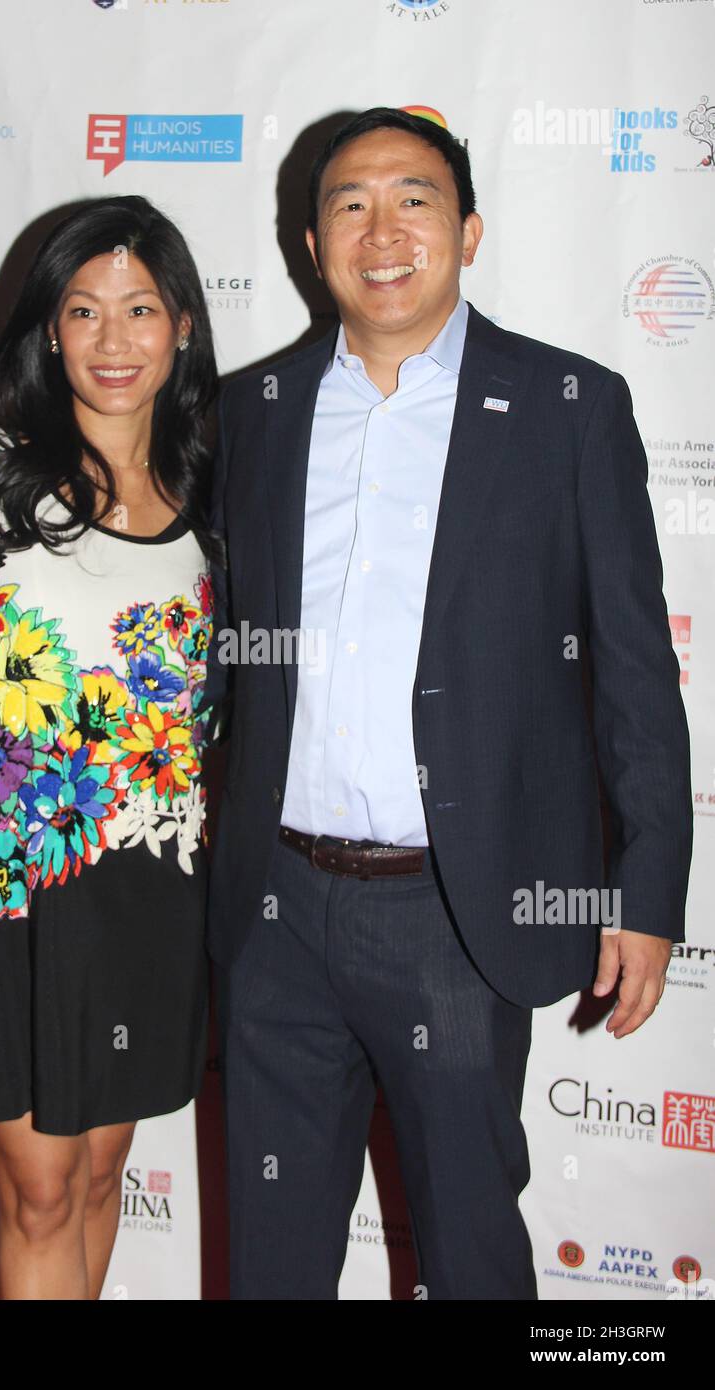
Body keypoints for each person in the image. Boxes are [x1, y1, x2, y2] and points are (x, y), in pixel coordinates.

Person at [205, 108, 693, 1299]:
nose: (381, 232)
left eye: (413, 200)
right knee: (269, 1263)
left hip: (456, 917)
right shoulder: (247, 411)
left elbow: (634, 666)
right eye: (350, 205)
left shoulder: (569, 407)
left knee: (471, 1254)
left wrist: (645, 889)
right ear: (312, 244)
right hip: (274, 912)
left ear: (468, 231)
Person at [0, 195, 221, 1299]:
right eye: (83, 310)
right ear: (49, 330)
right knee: (40, 1192)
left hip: (153, 888)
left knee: (103, 1174)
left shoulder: (212, 499)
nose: (114, 339)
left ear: (183, 327)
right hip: (3, 892)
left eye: (141, 308)